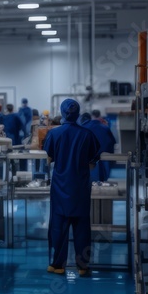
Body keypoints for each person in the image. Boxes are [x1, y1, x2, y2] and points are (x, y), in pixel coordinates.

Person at [43, 98, 100, 276]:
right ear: (77, 113)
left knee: (59, 225)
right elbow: (93, 161)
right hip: (80, 186)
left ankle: (58, 264)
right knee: (82, 226)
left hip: (60, 185)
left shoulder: (54, 134)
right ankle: (82, 266)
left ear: (62, 112)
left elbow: (48, 158)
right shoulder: (87, 134)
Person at [79, 112, 116, 182]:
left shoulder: (84, 128)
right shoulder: (105, 127)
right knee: (103, 178)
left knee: (92, 178)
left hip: (91, 158)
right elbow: (112, 142)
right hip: (106, 156)